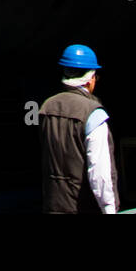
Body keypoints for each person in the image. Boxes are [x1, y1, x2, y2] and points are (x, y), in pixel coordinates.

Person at [40, 44, 119, 214]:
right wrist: (109, 209)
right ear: (91, 78)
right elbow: (100, 174)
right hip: (83, 207)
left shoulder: (46, 107)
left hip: (53, 205)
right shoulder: (93, 113)